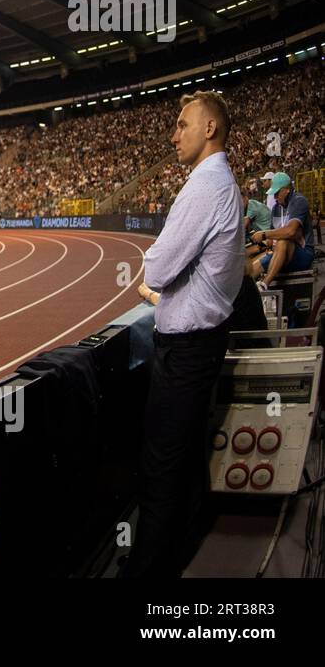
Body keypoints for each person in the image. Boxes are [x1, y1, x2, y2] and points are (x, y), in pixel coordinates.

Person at [125, 91, 243, 578]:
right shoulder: (222, 181)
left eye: (182, 124)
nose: (173, 134)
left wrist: (152, 276)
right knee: (187, 460)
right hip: (203, 344)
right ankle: (182, 554)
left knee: (163, 468)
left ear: (209, 129)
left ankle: (149, 572)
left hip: (187, 352)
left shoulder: (205, 184)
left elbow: (158, 266)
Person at [251, 172, 316, 289]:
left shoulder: (298, 201)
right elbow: (271, 241)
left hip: (303, 253)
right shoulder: (276, 208)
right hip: (281, 253)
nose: (274, 197)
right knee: (252, 268)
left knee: (283, 241)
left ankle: (264, 284)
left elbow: (290, 231)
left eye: (276, 193)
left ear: (286, 190)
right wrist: (260, 246)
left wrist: (264, 234)